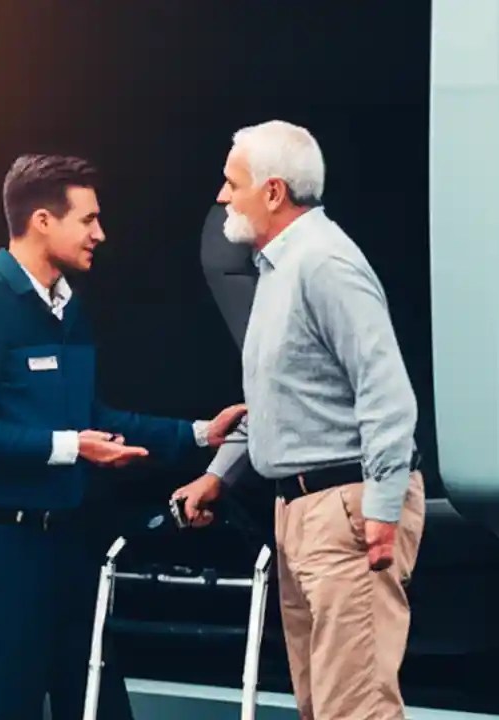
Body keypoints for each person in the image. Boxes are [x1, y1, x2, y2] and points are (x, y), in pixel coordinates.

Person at [0, 153, 247, 720]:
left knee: (99, 705)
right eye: (88, 219)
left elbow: (92, 414)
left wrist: (200, 435)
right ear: (43, 222)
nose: (100, 234)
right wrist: (76, 448)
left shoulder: (68, 310)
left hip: (66, 550)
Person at [172, 120, 426, 720]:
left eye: (232, 182)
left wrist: (384, 508)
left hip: (347, 508)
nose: (221, 196)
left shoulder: (325, 264)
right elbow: (281, 399)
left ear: (274, 191)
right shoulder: (279, 269)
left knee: (354, 709)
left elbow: (386, 390)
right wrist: (222, 474)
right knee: (322, 707)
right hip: (304, 511)